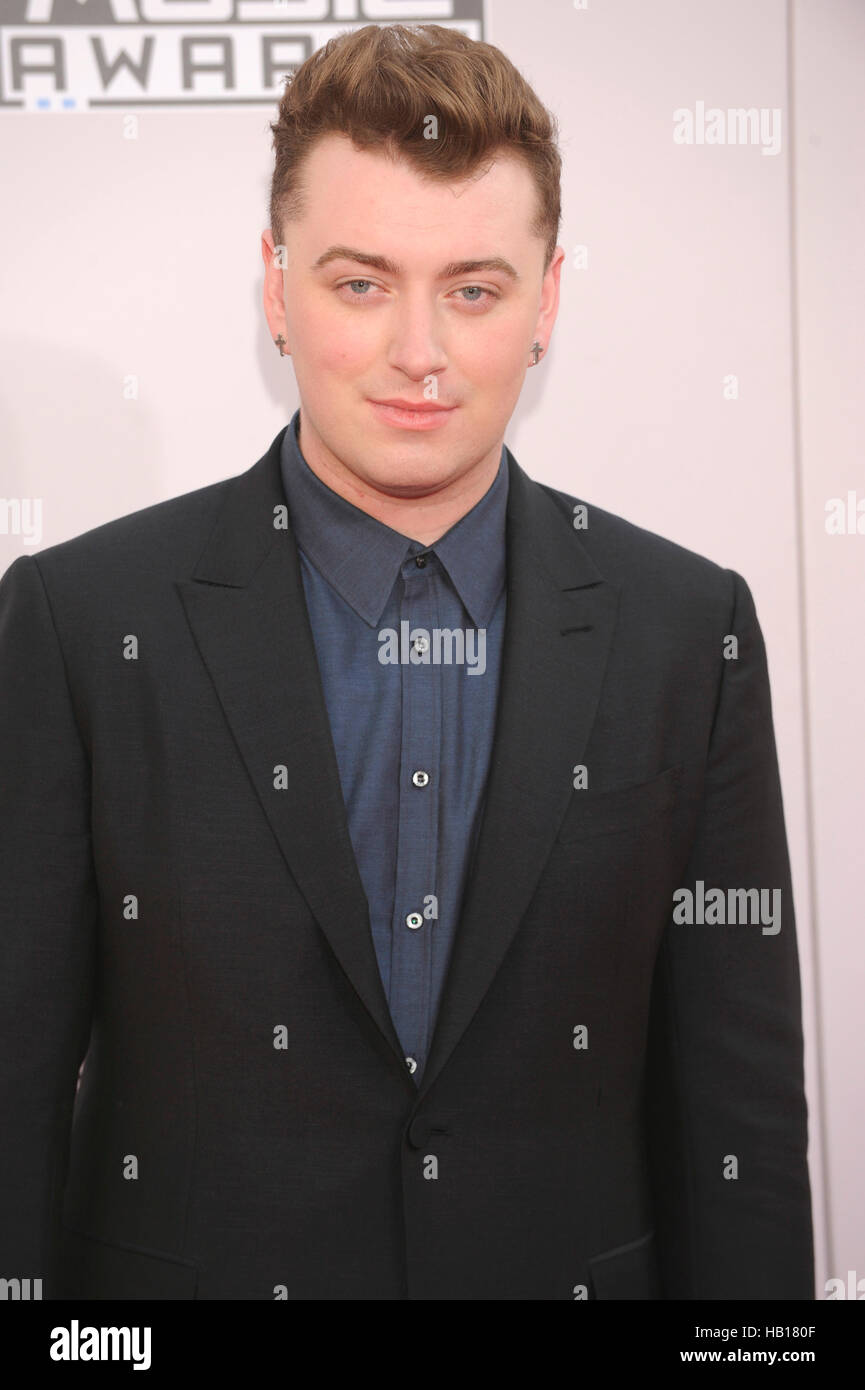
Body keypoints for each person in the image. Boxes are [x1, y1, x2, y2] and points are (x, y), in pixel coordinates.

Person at [0, 22, 812, 1300]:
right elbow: (16, 1084)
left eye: (474, 290)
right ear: (276, 289)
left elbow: (742, 1117)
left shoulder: (686, 630)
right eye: (360, 283)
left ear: (547, 303)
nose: (419, 353)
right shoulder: (77, 619)